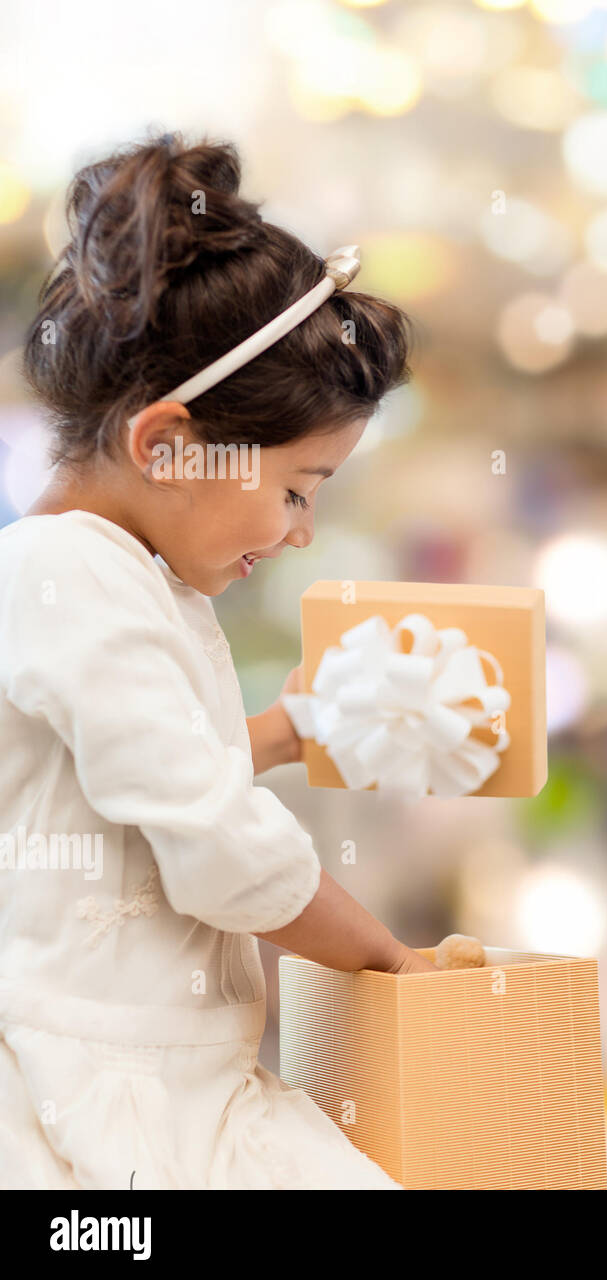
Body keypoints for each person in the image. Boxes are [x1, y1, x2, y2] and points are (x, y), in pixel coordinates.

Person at [0, 130, 434, 1189]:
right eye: (296, 486)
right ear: (168, 444)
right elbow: (216, 847)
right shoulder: (66, 579)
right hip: (99, 1091)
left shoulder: (127, 578)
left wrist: (276, 735)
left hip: (179, 1072)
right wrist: (395, 963)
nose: (301, 531)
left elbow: (136, 801)